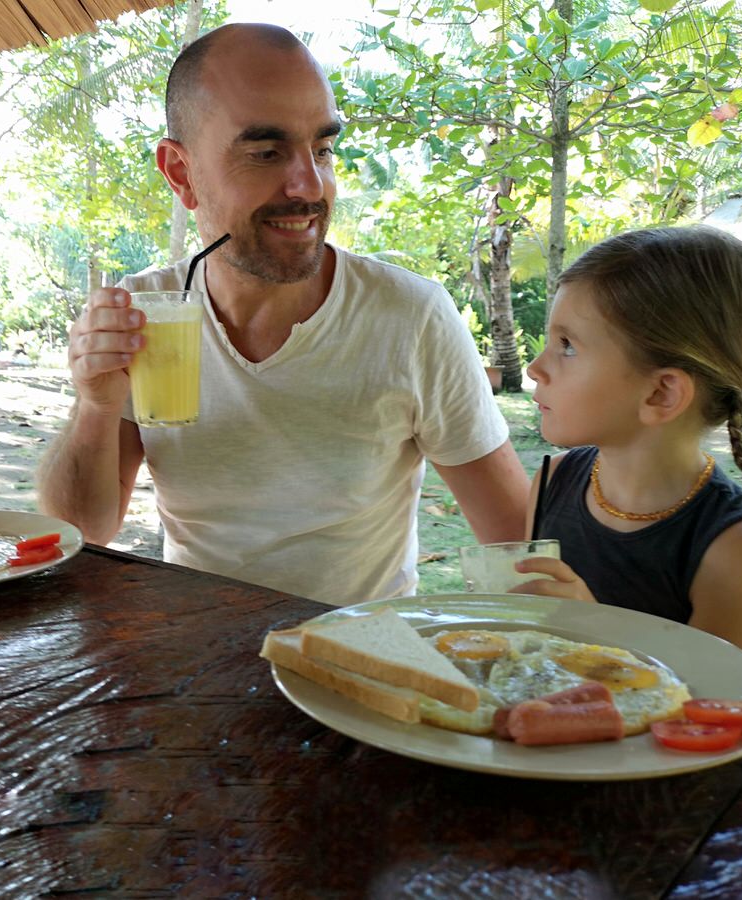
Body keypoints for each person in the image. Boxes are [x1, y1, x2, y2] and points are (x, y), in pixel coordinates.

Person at [38, 23, 530, 604]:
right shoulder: (148, 315)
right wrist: (95, 403)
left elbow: (515, 542)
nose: (309, 185)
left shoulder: (409, 316)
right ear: (180, 173)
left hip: (356, 667)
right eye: (266, 153)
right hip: (195, 658)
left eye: (322, 149)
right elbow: (81, 530)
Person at [516, 226, 742, 661]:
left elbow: (724, 715)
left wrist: (595, 633)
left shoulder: (738, 556)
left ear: (661, 394)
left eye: (567, 346)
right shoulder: (554, 482)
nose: (537, 367)